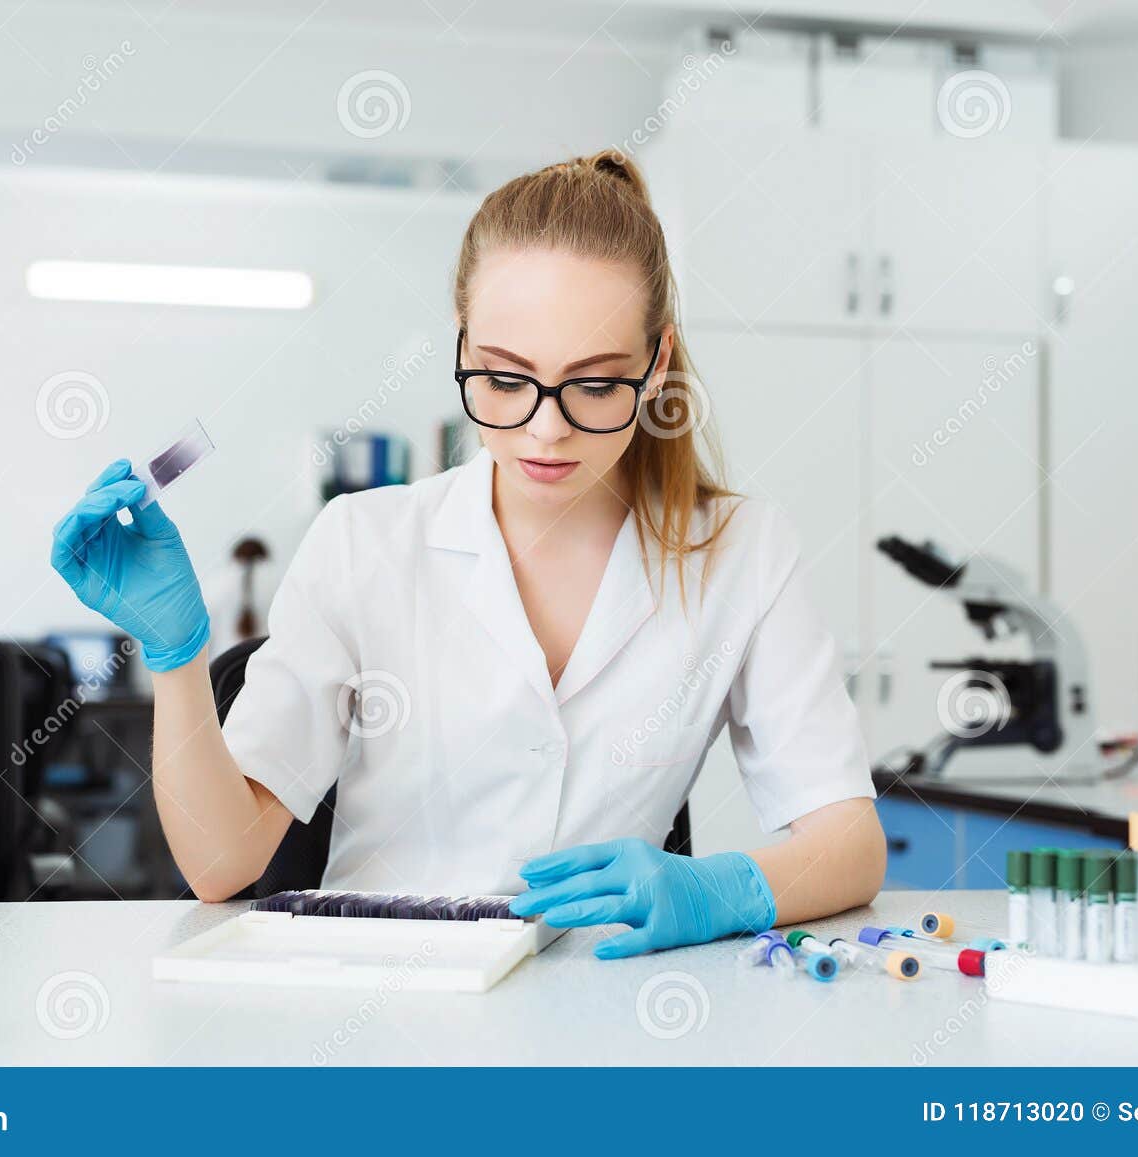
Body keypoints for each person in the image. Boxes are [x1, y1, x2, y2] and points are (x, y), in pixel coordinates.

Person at [50, 149, 885, 959]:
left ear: (658, 362)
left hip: (605, 1012)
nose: (545, 429)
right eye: (506, 377)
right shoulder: (362, 541)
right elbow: (219, 862)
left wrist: (722, 889)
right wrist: (178, 656)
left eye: (595, 384)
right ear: (462, 344)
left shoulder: (741, 550)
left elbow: (849, 840)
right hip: (377, 1003)